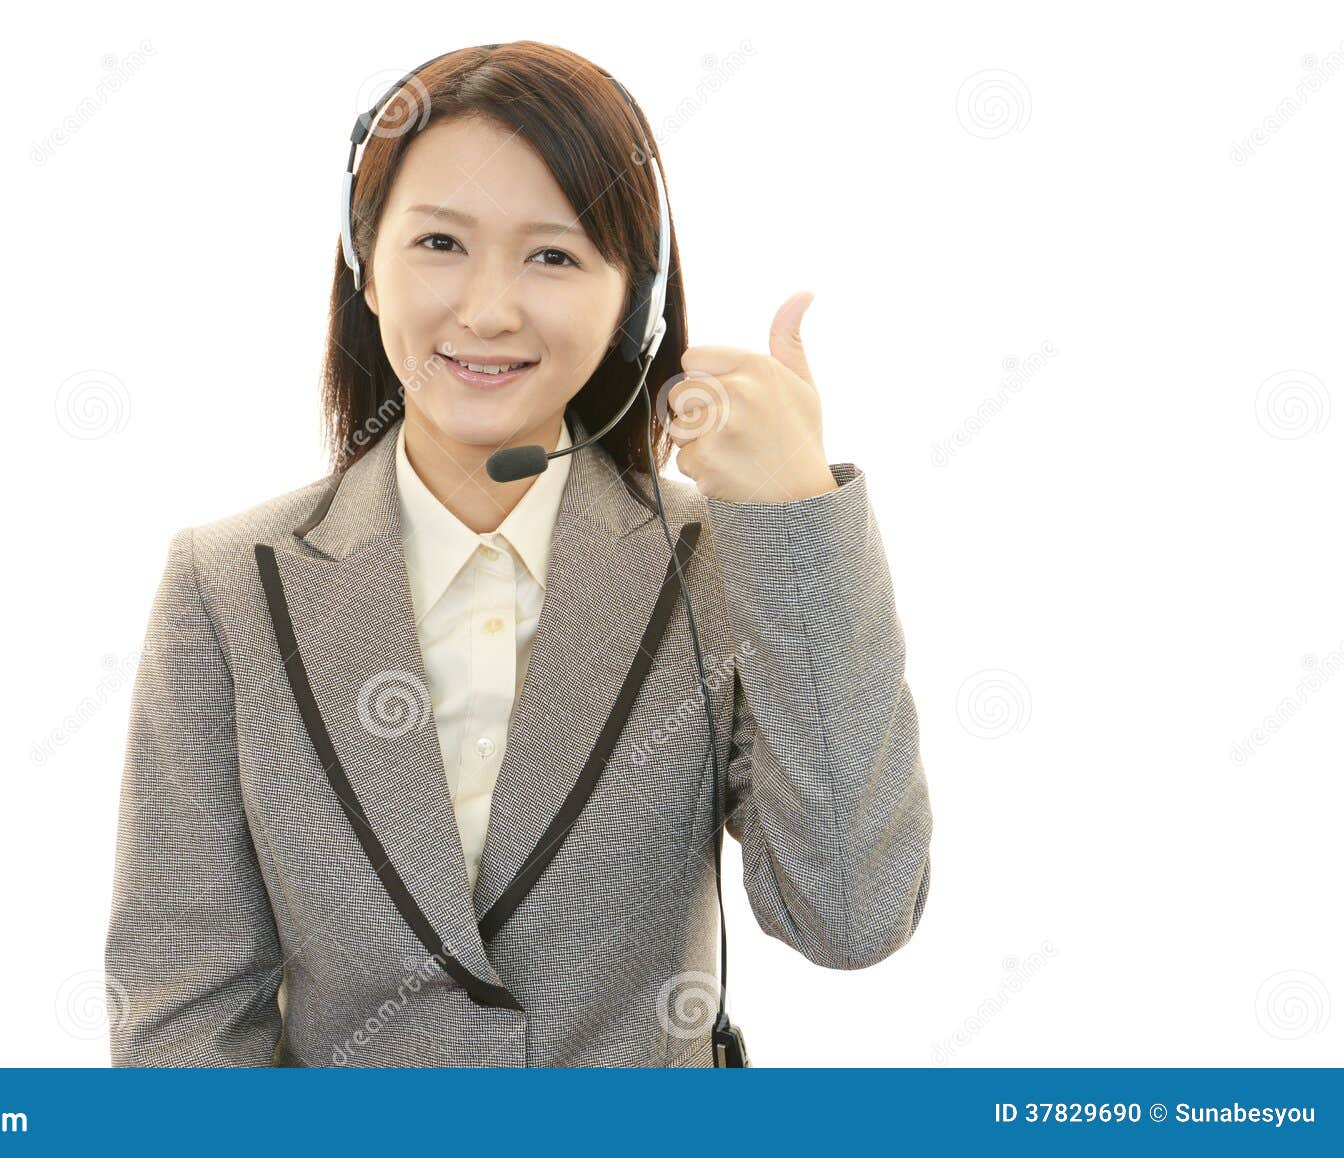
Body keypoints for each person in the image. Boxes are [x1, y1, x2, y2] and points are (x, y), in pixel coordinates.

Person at [104, 40, 931, 1068]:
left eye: (552, 255)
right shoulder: (227, 584)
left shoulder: (710, 566)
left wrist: (794, 521)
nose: (487, 309)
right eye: (440, 243)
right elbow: (180, 1016)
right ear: (366, 265)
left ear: (634, 293)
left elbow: (851, 916)